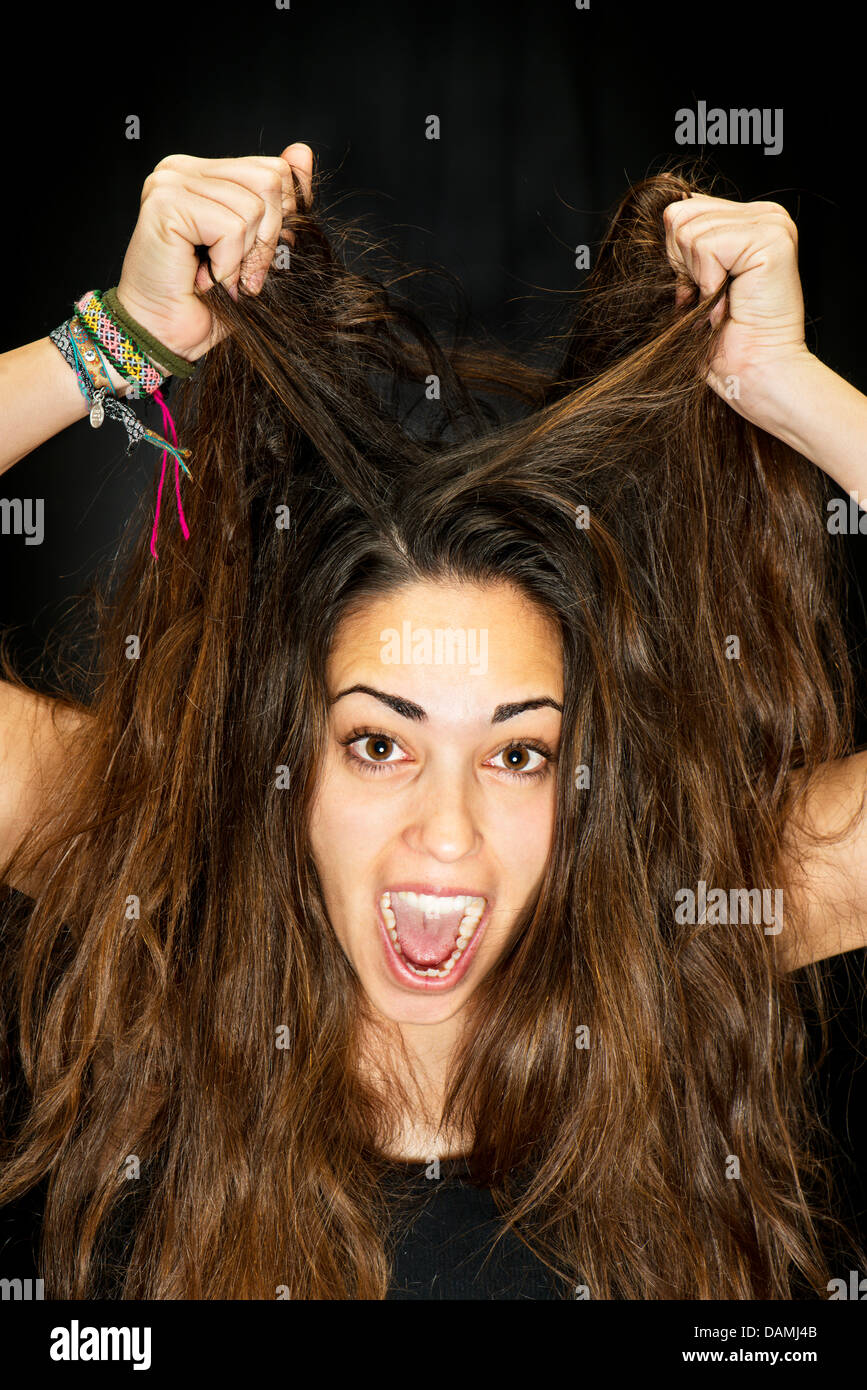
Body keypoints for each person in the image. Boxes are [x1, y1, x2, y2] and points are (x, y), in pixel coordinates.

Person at [1, 144, 866, 1300]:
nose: (447, 832)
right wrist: (116, 343)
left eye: (518, 753)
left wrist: (788, 388)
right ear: (285, 755)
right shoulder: (155, 876)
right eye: (379, 744)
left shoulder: (682, 922)